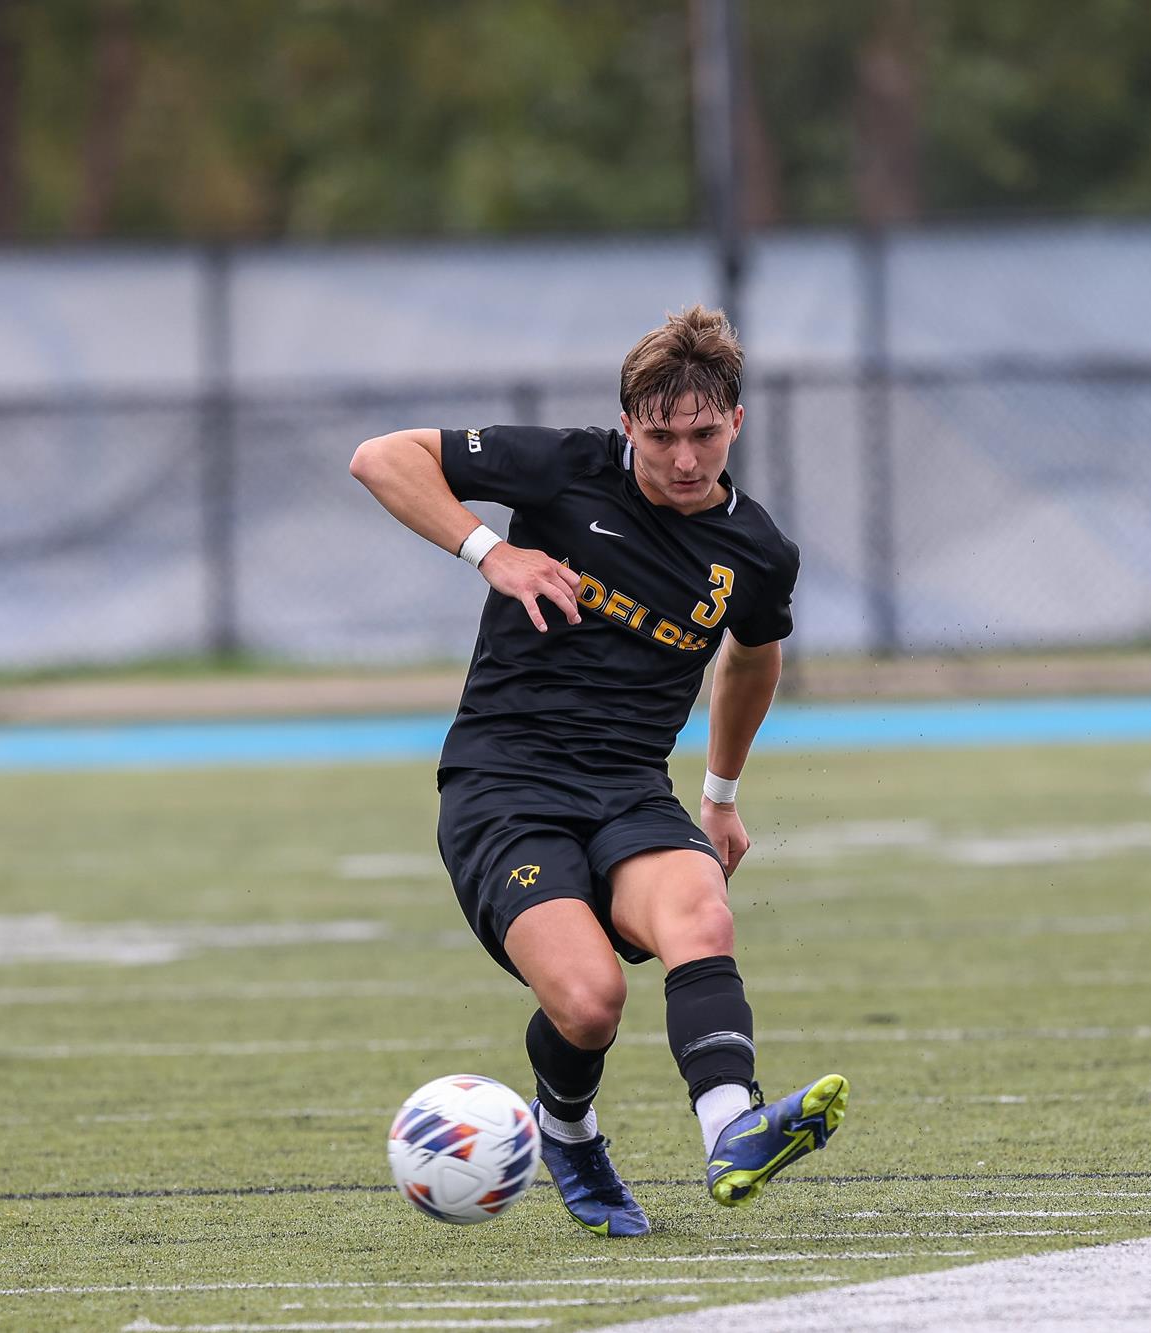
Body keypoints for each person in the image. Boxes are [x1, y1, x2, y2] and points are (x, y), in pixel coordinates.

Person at [349, 305, 846, 1238]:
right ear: (628, 426)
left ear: (737, 422)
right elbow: (381, 457)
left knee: (702, 912)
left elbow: (753, 656)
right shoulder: (566, 467)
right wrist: (493, 552)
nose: (684, 459)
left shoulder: (756, 550)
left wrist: (721, 795)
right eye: (660, 438)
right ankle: (568, 1130)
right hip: (504, 785)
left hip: (630, 788)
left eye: (704, 434)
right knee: (589, 1003)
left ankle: (732, 1127)